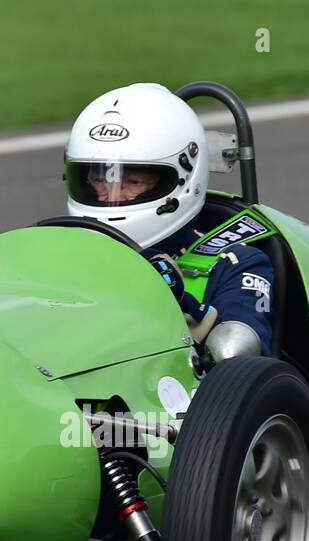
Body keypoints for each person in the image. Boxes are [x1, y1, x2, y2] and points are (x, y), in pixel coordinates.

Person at [63, 83, 275, 360]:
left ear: (182, 180)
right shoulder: (61, 251)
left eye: (133, 181)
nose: (109, 196)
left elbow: (238, 360)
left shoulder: (234, 264)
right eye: (99, 178)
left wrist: (172, 299)